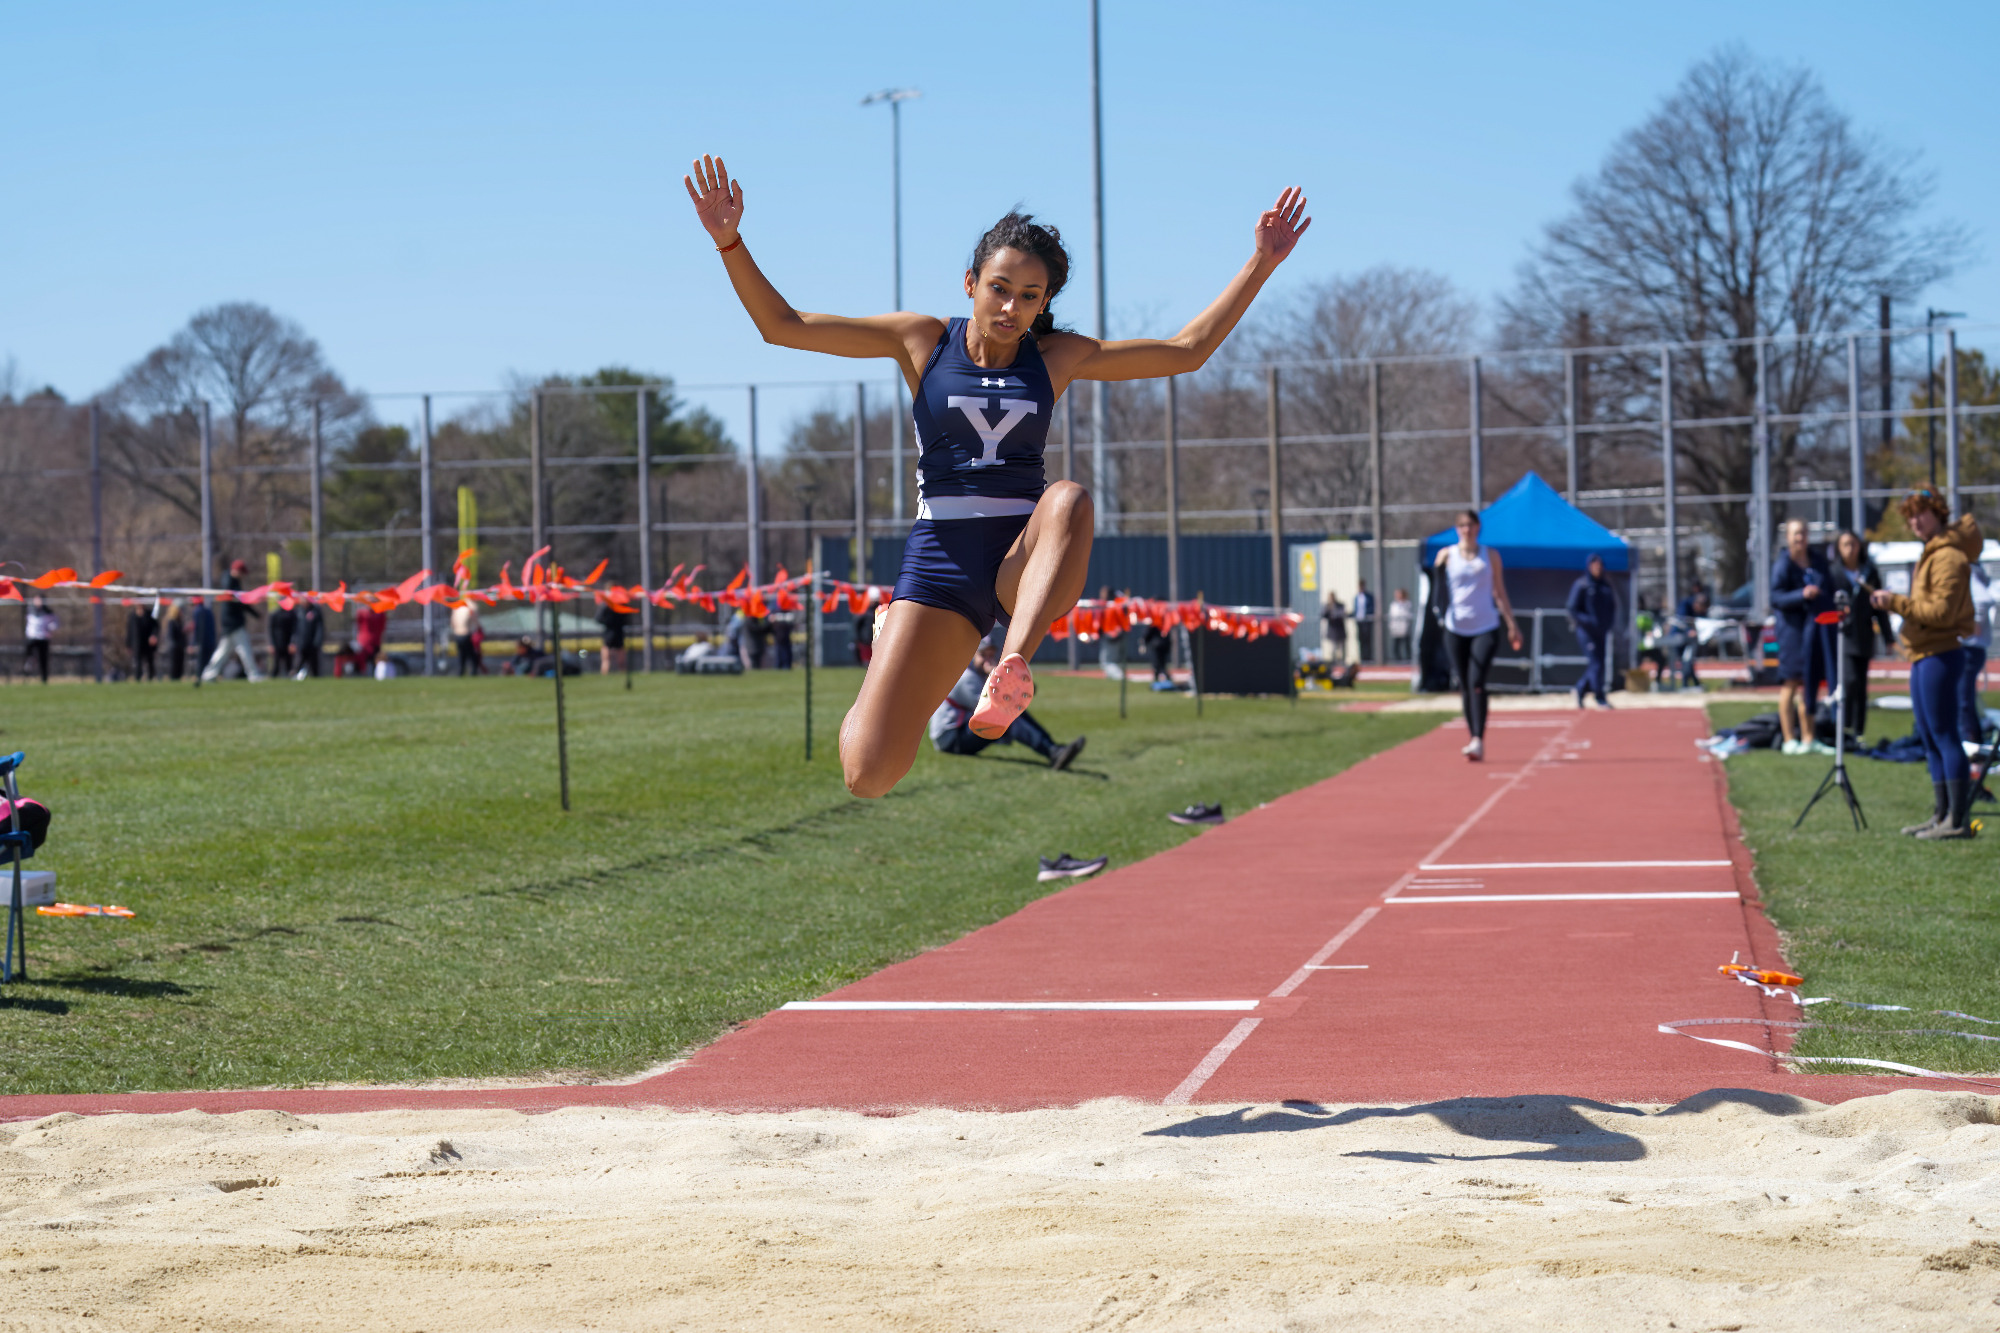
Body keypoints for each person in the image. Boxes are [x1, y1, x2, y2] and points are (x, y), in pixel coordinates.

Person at [685, 154, 1309, 798]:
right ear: (970, 283)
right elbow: (781, 327)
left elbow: (1187, 351)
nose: (1012, 306)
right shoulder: (922, 341)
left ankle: (1013, 663)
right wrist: (729, 240)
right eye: (1000, 288)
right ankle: (888, 638)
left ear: (1044, 305)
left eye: (1030, 297)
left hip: (1023, 556)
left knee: (1067, 498)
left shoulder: (1056, 357)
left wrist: (1260, 262)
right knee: (869, 774)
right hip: (942, 561)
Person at [1870, 488, 1982, 839]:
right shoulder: (1931, 553)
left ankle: (1957, 820)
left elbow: (1942, 613)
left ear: (1938, 513)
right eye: (1910, 517)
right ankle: (1942, 814)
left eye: (1921, 514)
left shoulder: (1948, 556)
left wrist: (1896, 603)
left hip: (1941, 654)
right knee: (1931, 738)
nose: (1915, 522)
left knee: (1946, 736)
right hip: (1923, 655)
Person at [1431, 509, 1522, 761]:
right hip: (1456, 628)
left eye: (1470, 525)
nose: (1466, 530)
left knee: (1477, 681)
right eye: (1462, 526)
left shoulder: (1490, 555)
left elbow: (1499, 592)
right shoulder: (1446, 555)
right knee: (1464, 684)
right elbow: (1436, 591)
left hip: (1485, 626)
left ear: (1478, 527)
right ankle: (1472, 736)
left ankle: (1478, 739)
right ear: (1456, 528)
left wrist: (1512, 623)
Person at [929, 640, 1085, 771]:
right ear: (972, 656)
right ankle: (1053, 751)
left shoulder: (976, 674)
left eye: (991, 655)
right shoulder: (966, 678)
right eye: (983, 655)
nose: (988, 660)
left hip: (959, 731)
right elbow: (993, 706)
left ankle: (1053, 749)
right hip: (952, 740)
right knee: (1005, 718)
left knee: (1013, 713)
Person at [1769, 519, 1830, 754]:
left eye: (1803, 533)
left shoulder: (1817, 561)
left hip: (1813, 628)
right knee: (1791, 683)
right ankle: (1788, 739)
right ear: (1788, 537)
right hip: (1792, 631)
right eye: (1795, 534)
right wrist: (1802, 594)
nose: (1800, 538)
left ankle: (1809, 737)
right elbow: (1776, 597)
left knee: (1810, 683)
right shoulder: (1783, 564)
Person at [1829, 530, 1892, 740]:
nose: (1850, 549)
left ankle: (1858, 730)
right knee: (1849, 681)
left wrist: (1888, 637)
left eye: (1853, 544)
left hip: (1864, 635)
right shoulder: (1834, 573)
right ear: (1838, 547)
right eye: (1845, 544)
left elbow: (1879, 608)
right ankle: (1844, 726)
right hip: (1843, 636)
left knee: (1861, 685)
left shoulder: (1869, 573)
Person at [199, 559, 265, 682]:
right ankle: (253, 674)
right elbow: (239, 603)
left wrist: (254, 612)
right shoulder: (230, 583)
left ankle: (209, 674)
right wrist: (254, 612)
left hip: (231, 623)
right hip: (233, 623)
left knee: (223, 652)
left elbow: (241, 602)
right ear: (236, 571)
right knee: (245, 649)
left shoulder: (231, 582)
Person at [1566, 552, 1618, 708]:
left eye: (1600, 565)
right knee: (1595, 663)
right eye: (1596, 565)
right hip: (1586, 632)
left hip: (1601, 631)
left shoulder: (1605, 585)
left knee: (1599, 664)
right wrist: (1587, 622)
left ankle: (1580, 689)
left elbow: (1612, 607)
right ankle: (1599, 696)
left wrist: (1607, 624)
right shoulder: (1582, 585)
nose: (1599, 569)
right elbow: (1572, 609)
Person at [1958, 559, 1997, 750]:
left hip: (1970, 648)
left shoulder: (1969, 571)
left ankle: (1971, 743)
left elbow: (1982, 600)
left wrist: (1975, 622)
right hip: (1966, 648)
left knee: (1963, 699)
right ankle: (1971, 741)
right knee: (1963, 698)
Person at [1672, 584, 1710, 689]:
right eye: (1700, 608)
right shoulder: (1685, 605)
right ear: (1696, 604)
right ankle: (1687, 684)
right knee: (1685, 662)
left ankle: (1692, 684)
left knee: (1688, 661)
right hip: (1677, 637)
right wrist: (1689, 630)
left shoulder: (1695, 608)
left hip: (1688, 639)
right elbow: (1681, 621)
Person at [24, 596, 57, 684]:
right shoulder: (29, 611)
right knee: (28, 652)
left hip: (43, 638)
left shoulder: (48, 612)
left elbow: (55, 624)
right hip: (32, 637)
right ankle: (30, 663)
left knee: (43, 659)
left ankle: (44, 679)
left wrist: (51, 627)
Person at [126, 602, 159, 682]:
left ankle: (151, 677)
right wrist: (128, 644)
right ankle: (138, 678)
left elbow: (156, 627)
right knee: (137, 661)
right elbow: (129, 631)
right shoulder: (132, 616)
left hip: (148, 643)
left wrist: (153, 636)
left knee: (149, 661)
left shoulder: (149, 614)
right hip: (137, 643)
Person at [595, 599, 629, 675]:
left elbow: (598, 618)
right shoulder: (607, 605)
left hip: (617, 632)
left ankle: (621, 674)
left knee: (620, 659)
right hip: (610, 632)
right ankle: (605, 673)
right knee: (606, 658)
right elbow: (598, 618)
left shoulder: (620, 605)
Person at [352, 603, 386, 677]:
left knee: (374, 661)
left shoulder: (379, 614)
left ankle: (374, 675)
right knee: (362, 661)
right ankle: (361, 675)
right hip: (364, 643)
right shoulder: (363, 613)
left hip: (373, 642)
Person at [267, 599, 298, 678]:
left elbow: (294, 630)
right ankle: (272, 678)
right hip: (277, 643)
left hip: (288, 643)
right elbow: (271, 630)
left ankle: (291, 677)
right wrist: (271, 644)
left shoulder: (292, 614)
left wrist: (292, 642)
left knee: (289, 664)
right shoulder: (274, 614)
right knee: (276, 665)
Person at [450, 599, 482, 677]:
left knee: (462, 654)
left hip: (458, 634)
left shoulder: (457, 607)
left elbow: (452, 622)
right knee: (472, 654)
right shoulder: (471, 606)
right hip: (467, 634)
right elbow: (475, 620)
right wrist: (478, 628)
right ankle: (473, 671)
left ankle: (461, 671)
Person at [296, 599, 326, 679]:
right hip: (302, 642)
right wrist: (294, 641)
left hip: (312, 642)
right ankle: (297, 675)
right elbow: (296, 628)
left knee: (314, 661)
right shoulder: (299, 612)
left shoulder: (315, 611)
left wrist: (318, 640)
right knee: (300, 660)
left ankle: (315, 676)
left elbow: (319, 627)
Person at [190, 595, 217, 676]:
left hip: (202, 642)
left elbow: (197, 629)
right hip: (211, 641)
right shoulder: (209, 611)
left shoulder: (197, 612)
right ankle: (209, 676)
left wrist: (193, 643)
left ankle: (200, 676)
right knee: (209, 662)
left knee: (201, 662)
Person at [1142, 621, 1174, 690]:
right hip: (1163, 645)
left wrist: (1144, 641)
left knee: (1157, 663)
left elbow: (1147, 634)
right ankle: (1164, 677)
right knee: (1162, 663)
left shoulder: (1155, 623)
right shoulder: (1164, 622)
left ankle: (1160, 679)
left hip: (1156, 646)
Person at [163, 600, 189, 681]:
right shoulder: (172, 621)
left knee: (180, 667)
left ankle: (177, 679)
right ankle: (173, 679)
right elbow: (172, 635)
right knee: (174, 666)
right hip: (174, 647)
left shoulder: (179, 621)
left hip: (180, 646)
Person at [1320, 591, 1348, 665]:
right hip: (1333, 631)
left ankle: (1342, 663)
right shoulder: (1327, 606)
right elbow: (1323, 615)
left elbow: (1343, 614)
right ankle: (1334, 664)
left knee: (1342, 648)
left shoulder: (1340, 605)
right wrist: (1329, 610)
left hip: (1340, 630)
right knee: (1333, 649)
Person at [1351, 580, 1376, 663]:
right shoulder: (1356, 597)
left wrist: (1367, 614)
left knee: (1367, 640)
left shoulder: (1369, 596)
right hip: (1359, 621)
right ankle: (1362, 658)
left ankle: (1368, 657)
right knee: (1360, 639)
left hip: (1367, 621)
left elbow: (1372, 608)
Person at [1387, 588, 1414, 663]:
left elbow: (1408, 615)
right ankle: (1397, 661)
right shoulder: (1393, 605)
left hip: (1404, 628)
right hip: (1395, 628)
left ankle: (1408, 660)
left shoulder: (1408, 604)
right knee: (1395, 646)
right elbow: (1391, 615)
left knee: (1406, 646)